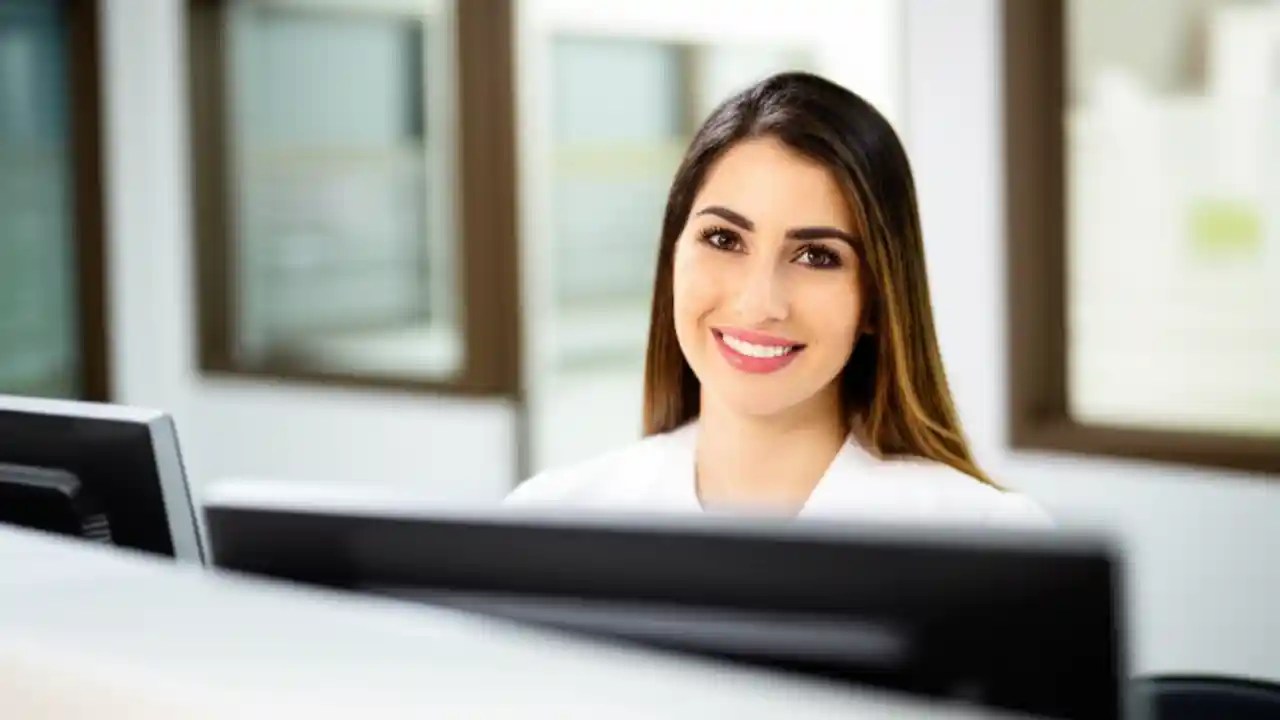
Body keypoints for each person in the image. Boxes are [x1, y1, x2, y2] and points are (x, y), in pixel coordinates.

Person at [508, 72, 1047, 526]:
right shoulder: (549, 518)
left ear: (878, 302)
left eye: (817, 255)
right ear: (673, 255)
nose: (759, 301)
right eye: (724, 239)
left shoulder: (989, 536)